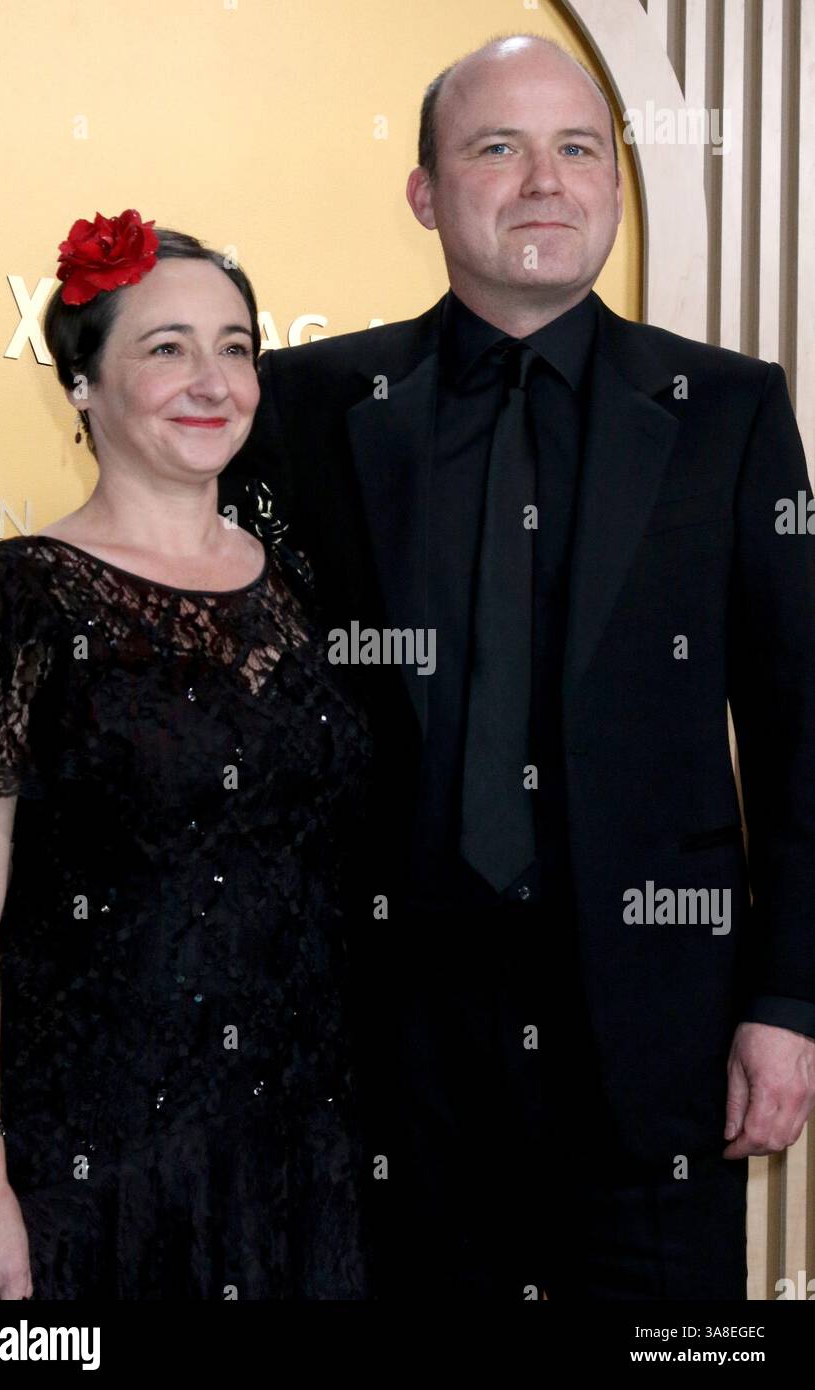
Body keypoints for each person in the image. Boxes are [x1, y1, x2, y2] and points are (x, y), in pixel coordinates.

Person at [219, 35, 815, 1299]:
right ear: (426, 193)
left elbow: (797, 730)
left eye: (576, 149)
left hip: (659, 1045)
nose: (543, 181)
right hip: (380, 1051)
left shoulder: (728, 410)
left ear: (613, 185)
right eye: (496, 148)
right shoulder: (305, 405)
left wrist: (790, 1004)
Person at [0, 209, 374, 1299]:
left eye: (235, 347)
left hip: (300, 1143)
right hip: (86, 1152)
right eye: (167, 347)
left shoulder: (313, 585)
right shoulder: (9, 597)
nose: (212, 379)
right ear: (81, 384)